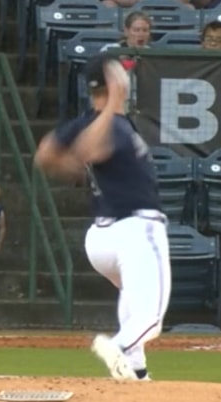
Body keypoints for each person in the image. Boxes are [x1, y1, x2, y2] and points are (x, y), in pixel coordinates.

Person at [34, 54, 170, 382]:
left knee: (134, 301)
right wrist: (113, 104)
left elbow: (44, 154)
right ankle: (121, 347)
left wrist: (73, 170)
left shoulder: (85, 121)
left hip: (103, 238)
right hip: (136, 229)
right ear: (114, 83)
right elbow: (89, 150)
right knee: (151, 317)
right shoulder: (114, 125)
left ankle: (136, 372)